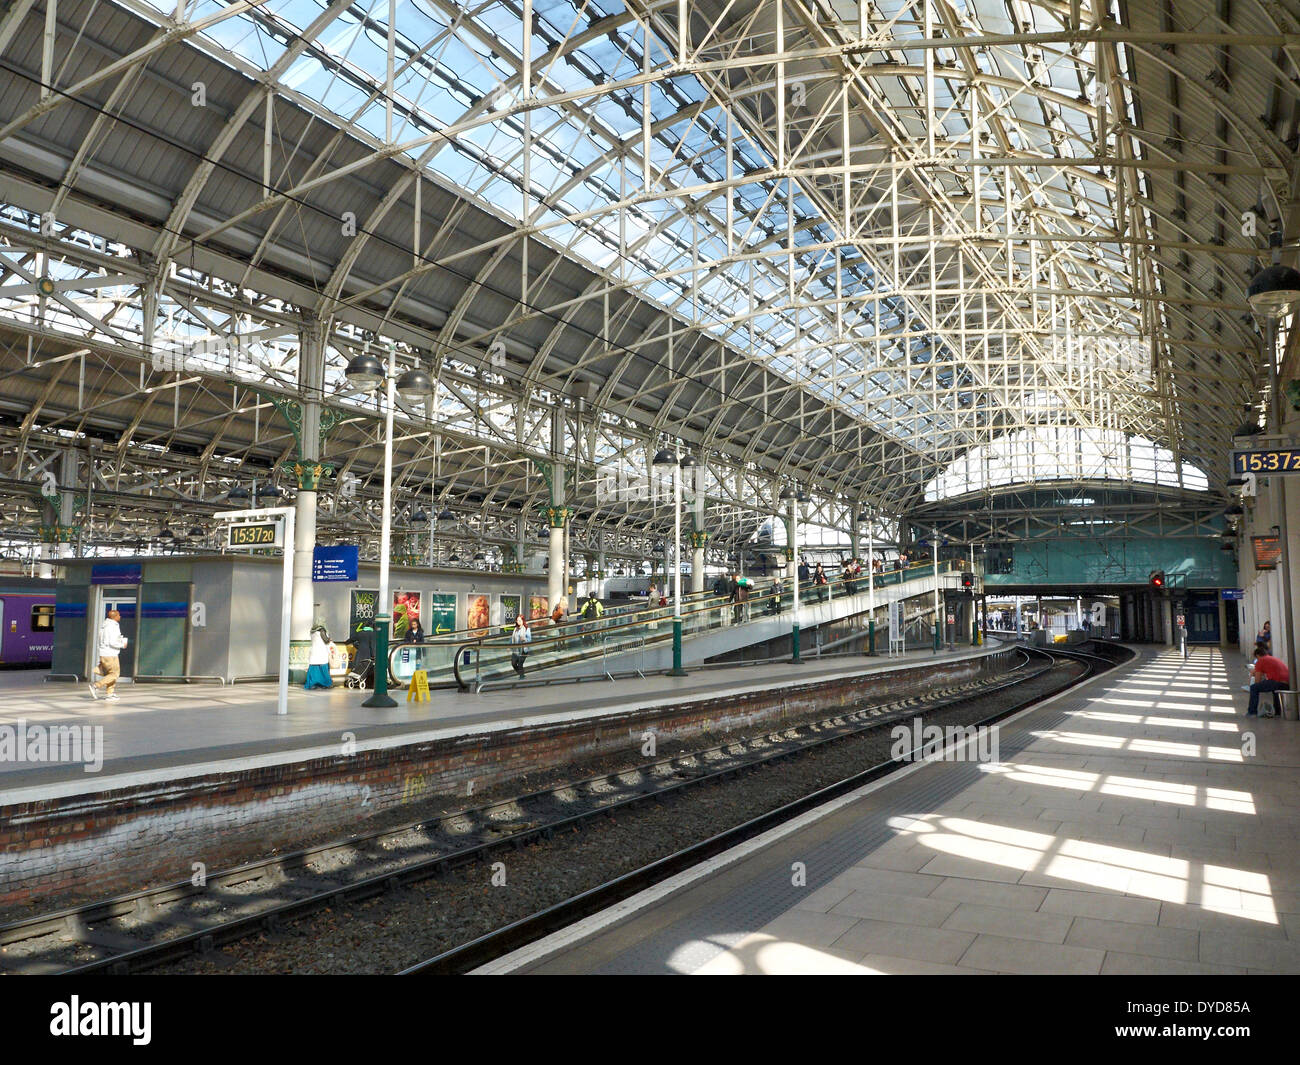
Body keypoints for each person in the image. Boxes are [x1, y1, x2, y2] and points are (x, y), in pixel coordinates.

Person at [88, 608, 128, 702]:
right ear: (115, 617)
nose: (120, 616)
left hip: (105, 653)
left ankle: (110, 694)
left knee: (111, 674)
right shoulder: (112, 627)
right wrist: (122, 644)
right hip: (110, 654)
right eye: (118, 615)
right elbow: (112, 642)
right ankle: (96, 686)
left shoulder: (105, 626)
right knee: (115, 674)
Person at [1247, 648, 1290, 717]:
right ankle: (1277, 712)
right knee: (1274, 689)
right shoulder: (1272, 658)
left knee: (1254, 688)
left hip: (1277, 682)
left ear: (1257, 655)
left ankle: (1252, 712)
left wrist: (1252, 680)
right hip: (1287, 683)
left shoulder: (1260, 660)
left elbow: (1257, 680)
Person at [304, 625, 334, 690]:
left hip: (313, 653)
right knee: (323, 671)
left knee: (313, 670)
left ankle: (312, 684)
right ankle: (326, 684)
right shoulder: (322, 631)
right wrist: (330, 639)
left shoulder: (312, 632)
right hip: (321, 653)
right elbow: (326, 640)